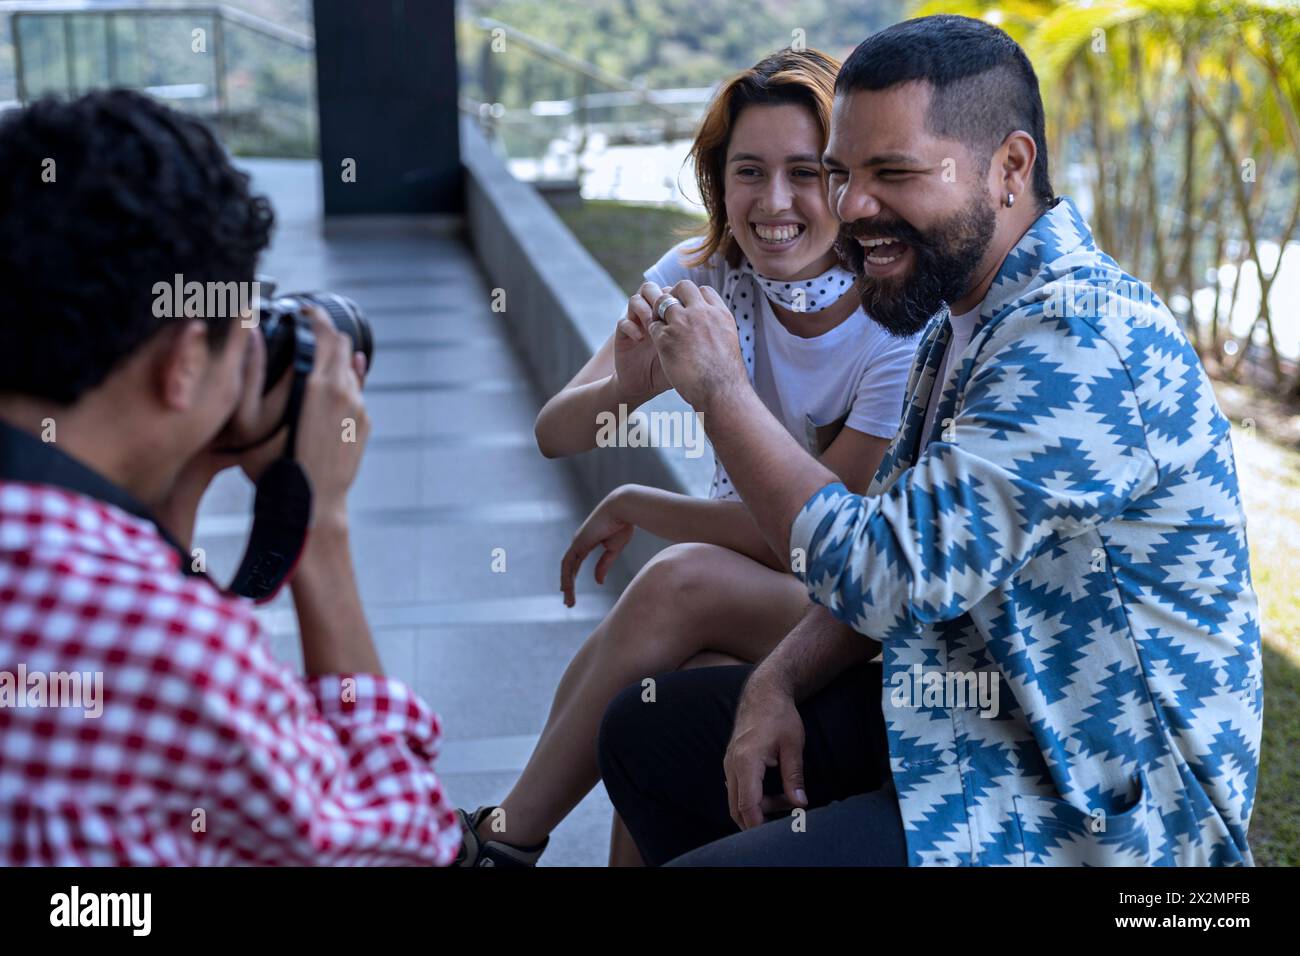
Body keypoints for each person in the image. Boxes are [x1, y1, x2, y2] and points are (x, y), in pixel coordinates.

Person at [598, 14, 1263, 867]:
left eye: (893, 174)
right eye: (841, 174)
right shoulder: (962, 313)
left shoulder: (1080, 340)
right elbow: (905, 544)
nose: (854, 208)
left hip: (1098, 824)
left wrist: (721, 390)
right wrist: (779, 678)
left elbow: (877, 571)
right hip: (961, 726)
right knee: (648, 731)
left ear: (1010, 169)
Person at [454, 48, 922, 867]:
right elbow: (556, 433)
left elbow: (809, 542)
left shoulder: (891, 326)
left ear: (846, 182)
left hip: (859, 614)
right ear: (719, 180)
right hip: (754, 588)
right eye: (749, 171)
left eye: (805, 173)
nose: (773, 203)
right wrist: (626, 388)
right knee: (663, 688)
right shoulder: (706, 275)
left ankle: (503, 843)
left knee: (678, 580)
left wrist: (646, 504)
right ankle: (509, 845)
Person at [0, 90, 461, 865]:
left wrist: (174, 474)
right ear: (183, 363)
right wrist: (321, 528)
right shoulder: (162, 644)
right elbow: (405, 852)